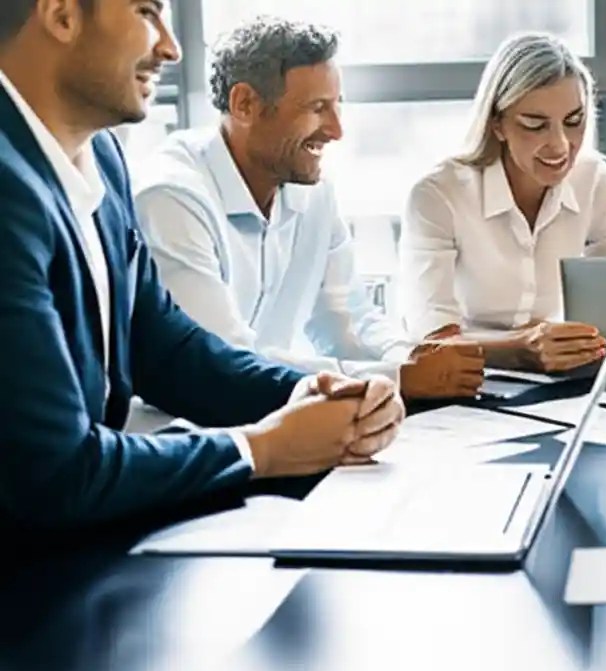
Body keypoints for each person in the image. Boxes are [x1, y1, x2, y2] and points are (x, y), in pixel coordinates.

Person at [0, 0, 403, 530]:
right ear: (62, 15)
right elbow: (54, 472)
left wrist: (304, 393)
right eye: (148, 12)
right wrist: (264, 448)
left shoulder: (101, 158)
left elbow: (165, 350)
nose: (170, 46)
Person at [133, 17, 483, 400]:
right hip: (189, 430)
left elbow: (348, 323)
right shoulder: (171, 199)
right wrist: (397, 376)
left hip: (278, 414)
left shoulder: (312, 191)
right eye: (318, 108)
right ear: (245, 104)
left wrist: (415, 357)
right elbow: (225, 362)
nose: (336, 130)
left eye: (337, 106)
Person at [399, 32, 606, 374]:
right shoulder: (437, 195)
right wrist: (520, 350)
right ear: (497, 123)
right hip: (463, 384)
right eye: (536, 125)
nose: (560, 145)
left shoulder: (593, 179)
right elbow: (432, 342)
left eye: (574, 122)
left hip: (564, 380)